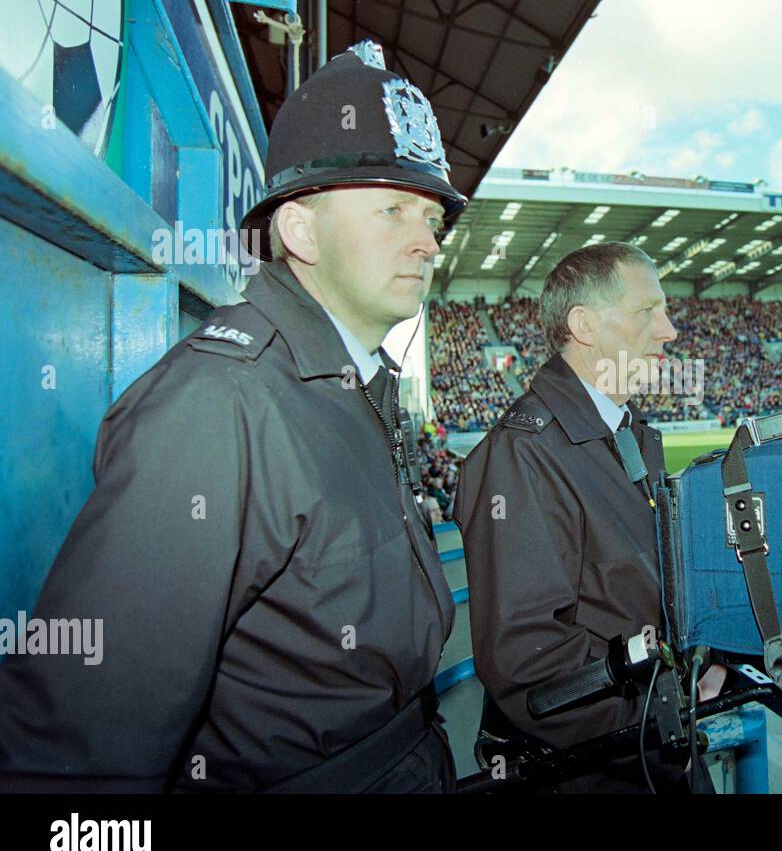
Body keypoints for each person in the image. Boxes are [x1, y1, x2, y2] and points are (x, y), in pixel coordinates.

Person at [0, 41, 464, 792]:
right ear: (301, 232)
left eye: (432, 216)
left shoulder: (348, 384)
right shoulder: (216, 407)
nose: (427, 240)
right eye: (391, 208)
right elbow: (75, 763)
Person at [453, 242, 722, 792]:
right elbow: (530, 663)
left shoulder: (632, 435)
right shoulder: (523, 455)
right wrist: (662, 727)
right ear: (585, 325)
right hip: (606, 768)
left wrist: (701, 663)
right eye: (648, 311)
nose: (669, 330)